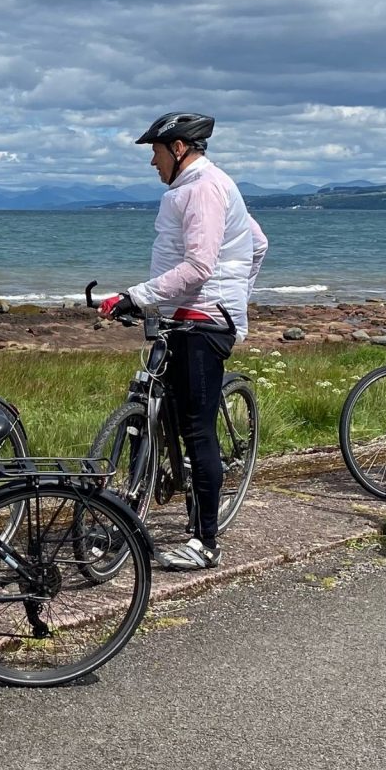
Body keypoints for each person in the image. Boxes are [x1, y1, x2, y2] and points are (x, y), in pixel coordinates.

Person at [96, 112, 268, 571]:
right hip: (182, 317)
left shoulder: (204, 189)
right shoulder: (196, 187)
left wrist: (136, 296)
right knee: (149, 404)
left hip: (201, 322)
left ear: (178, 148)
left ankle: (205, 543)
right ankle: (130, 514)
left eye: (155, 151)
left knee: (197, 430)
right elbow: (259, 243)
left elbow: (198, 267)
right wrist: (238, 298)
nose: (151, 162)